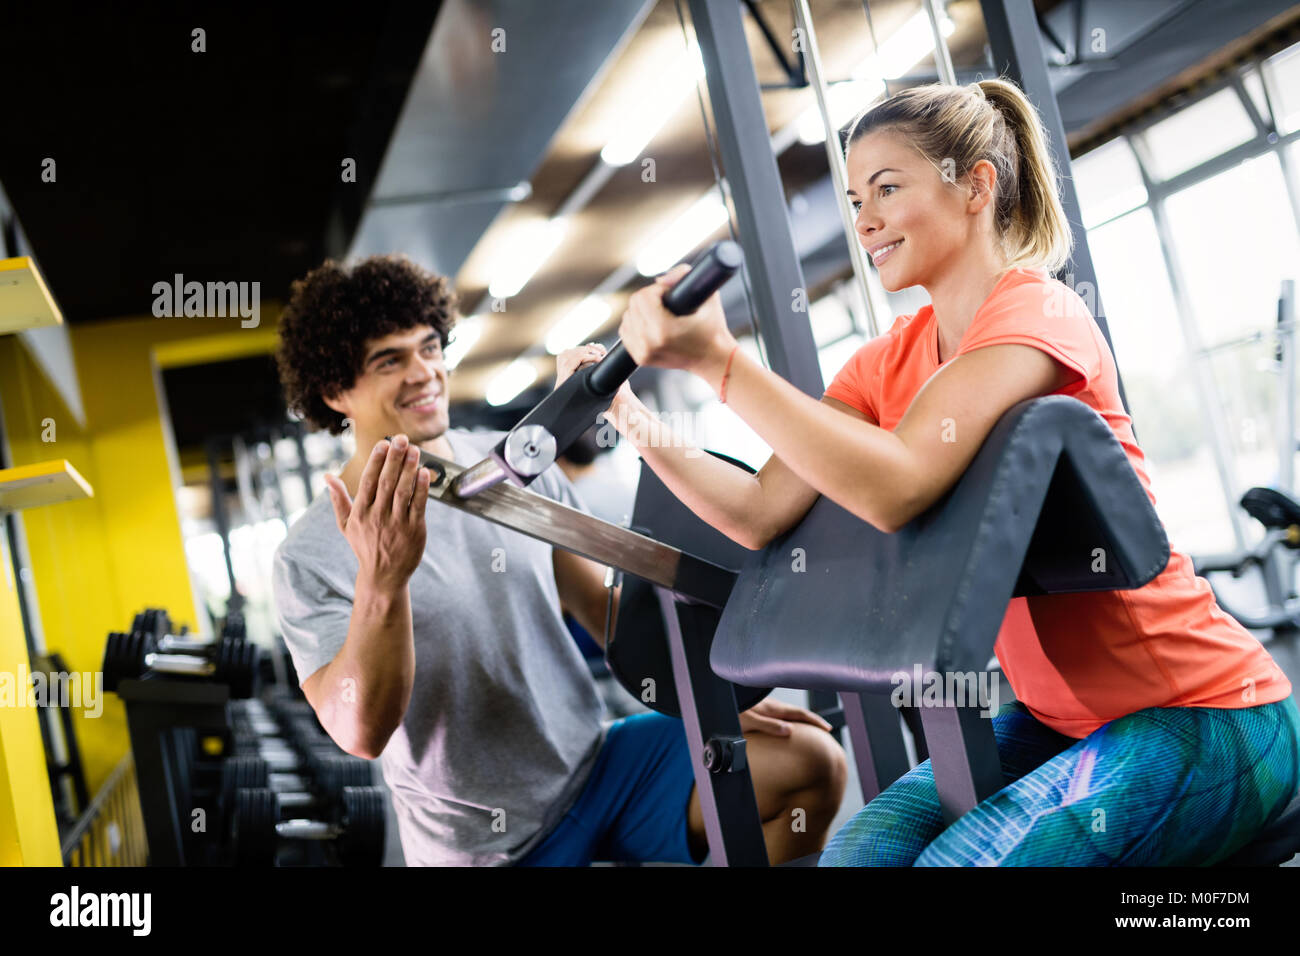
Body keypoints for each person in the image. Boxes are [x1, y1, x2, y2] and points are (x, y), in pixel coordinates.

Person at [589, 78, 1300, 866]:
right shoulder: (882, 362)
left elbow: (900, 483)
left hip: (1203, 710)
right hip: (1058, 719)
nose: (865, 220)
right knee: (858, 854)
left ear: (977, 185)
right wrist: (627, 412)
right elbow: (761, 509)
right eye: (857, 197)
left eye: (889, 189)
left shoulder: (1038, 312)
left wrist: (721, 364)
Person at [269, 255, 847, 866]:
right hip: (487, 843)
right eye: (390, 360)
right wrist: (384, 584)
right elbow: (361, 732)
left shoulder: (511, 463)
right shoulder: (309, 556)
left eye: (430, 347)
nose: (425, 372)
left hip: (599, 767)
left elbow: (601, 606)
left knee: (809, 763)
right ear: (336, 391)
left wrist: (713, 700)